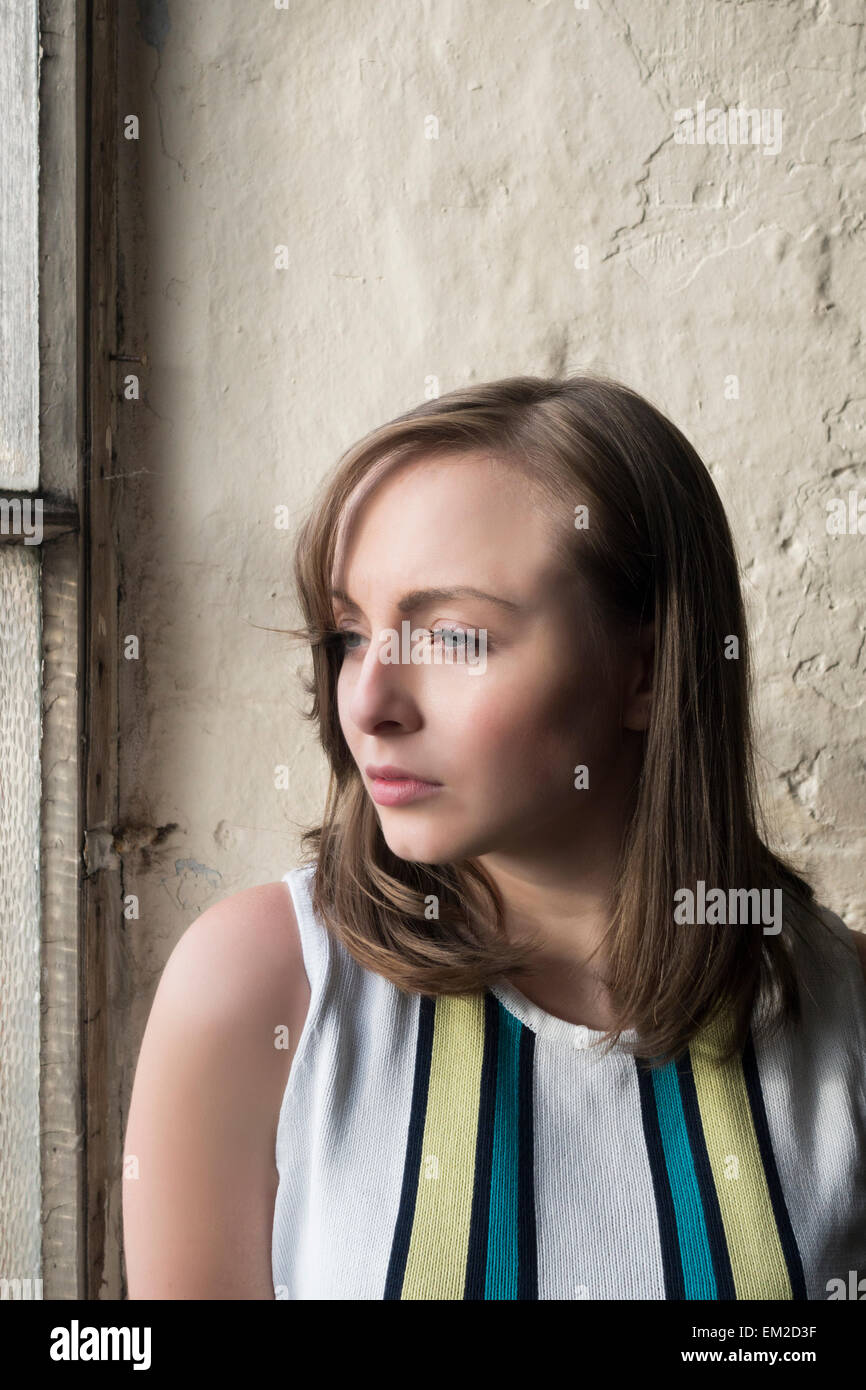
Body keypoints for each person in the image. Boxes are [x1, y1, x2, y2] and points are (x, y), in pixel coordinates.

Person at [123, 373, 866, 1300]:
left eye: (452, 638)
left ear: (645, 672)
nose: (367, 703)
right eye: (352, 634)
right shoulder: (260, 988)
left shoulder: (842, 1012)